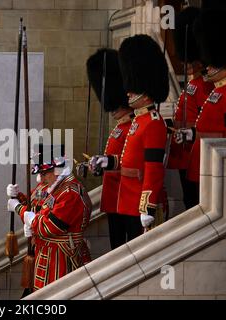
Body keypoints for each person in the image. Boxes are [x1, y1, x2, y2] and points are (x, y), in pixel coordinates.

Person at [92, 34, 169, 233]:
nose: (128, 92)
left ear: (145, 90)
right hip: (126, 200)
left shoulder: (153, 123)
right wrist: (108, 162)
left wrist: (148, 205)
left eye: (133, 89)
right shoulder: (140, 120)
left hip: (138, 203)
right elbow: (129, 160)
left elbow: (153, 168)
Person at [7, 144, 92, 291]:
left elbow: (48, 226)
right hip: (47, 252)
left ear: (57, 169)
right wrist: (18, 197)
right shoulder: (53, 186)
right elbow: (35, 205)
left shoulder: (70, 192)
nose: (42, 177)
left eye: (45, 172)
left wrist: (19, 209)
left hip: (61, 256)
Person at [176, 9, 226, 195]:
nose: (208, 65)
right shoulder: (219, 90)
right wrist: (192, 133)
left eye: (214, 61)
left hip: (216, 169)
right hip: (200, 165)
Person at [85, 48, 135, 249]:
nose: (113, 108)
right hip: (114, 197)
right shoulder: (121, 126)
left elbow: (131, 162)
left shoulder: (134, 125)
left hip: (127, 197)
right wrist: (99, 165)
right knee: (116, 246)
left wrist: (109, 162)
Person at [166, 7, 214, 210]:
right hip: (184, 154)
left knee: (195, 203)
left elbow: (207, 122)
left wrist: (190, 134)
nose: (186, 64)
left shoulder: (205, 86)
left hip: (195, 154)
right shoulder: (193, 86)